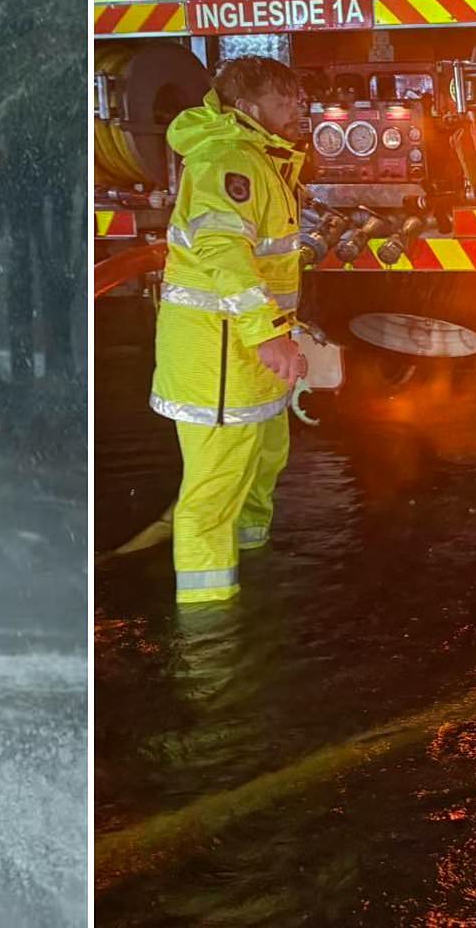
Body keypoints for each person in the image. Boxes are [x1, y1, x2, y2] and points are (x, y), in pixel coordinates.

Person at [150, 56, 309, 605]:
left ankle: (252, 571)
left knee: (261, 464)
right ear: (248, 109)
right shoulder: (227, 161)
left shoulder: (259, 160)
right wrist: (268, 334)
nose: (298, 112)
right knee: (213, 494)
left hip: (244, 358)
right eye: (285, 103)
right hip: (219, 358)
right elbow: (223, 252)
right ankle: (208, 628)